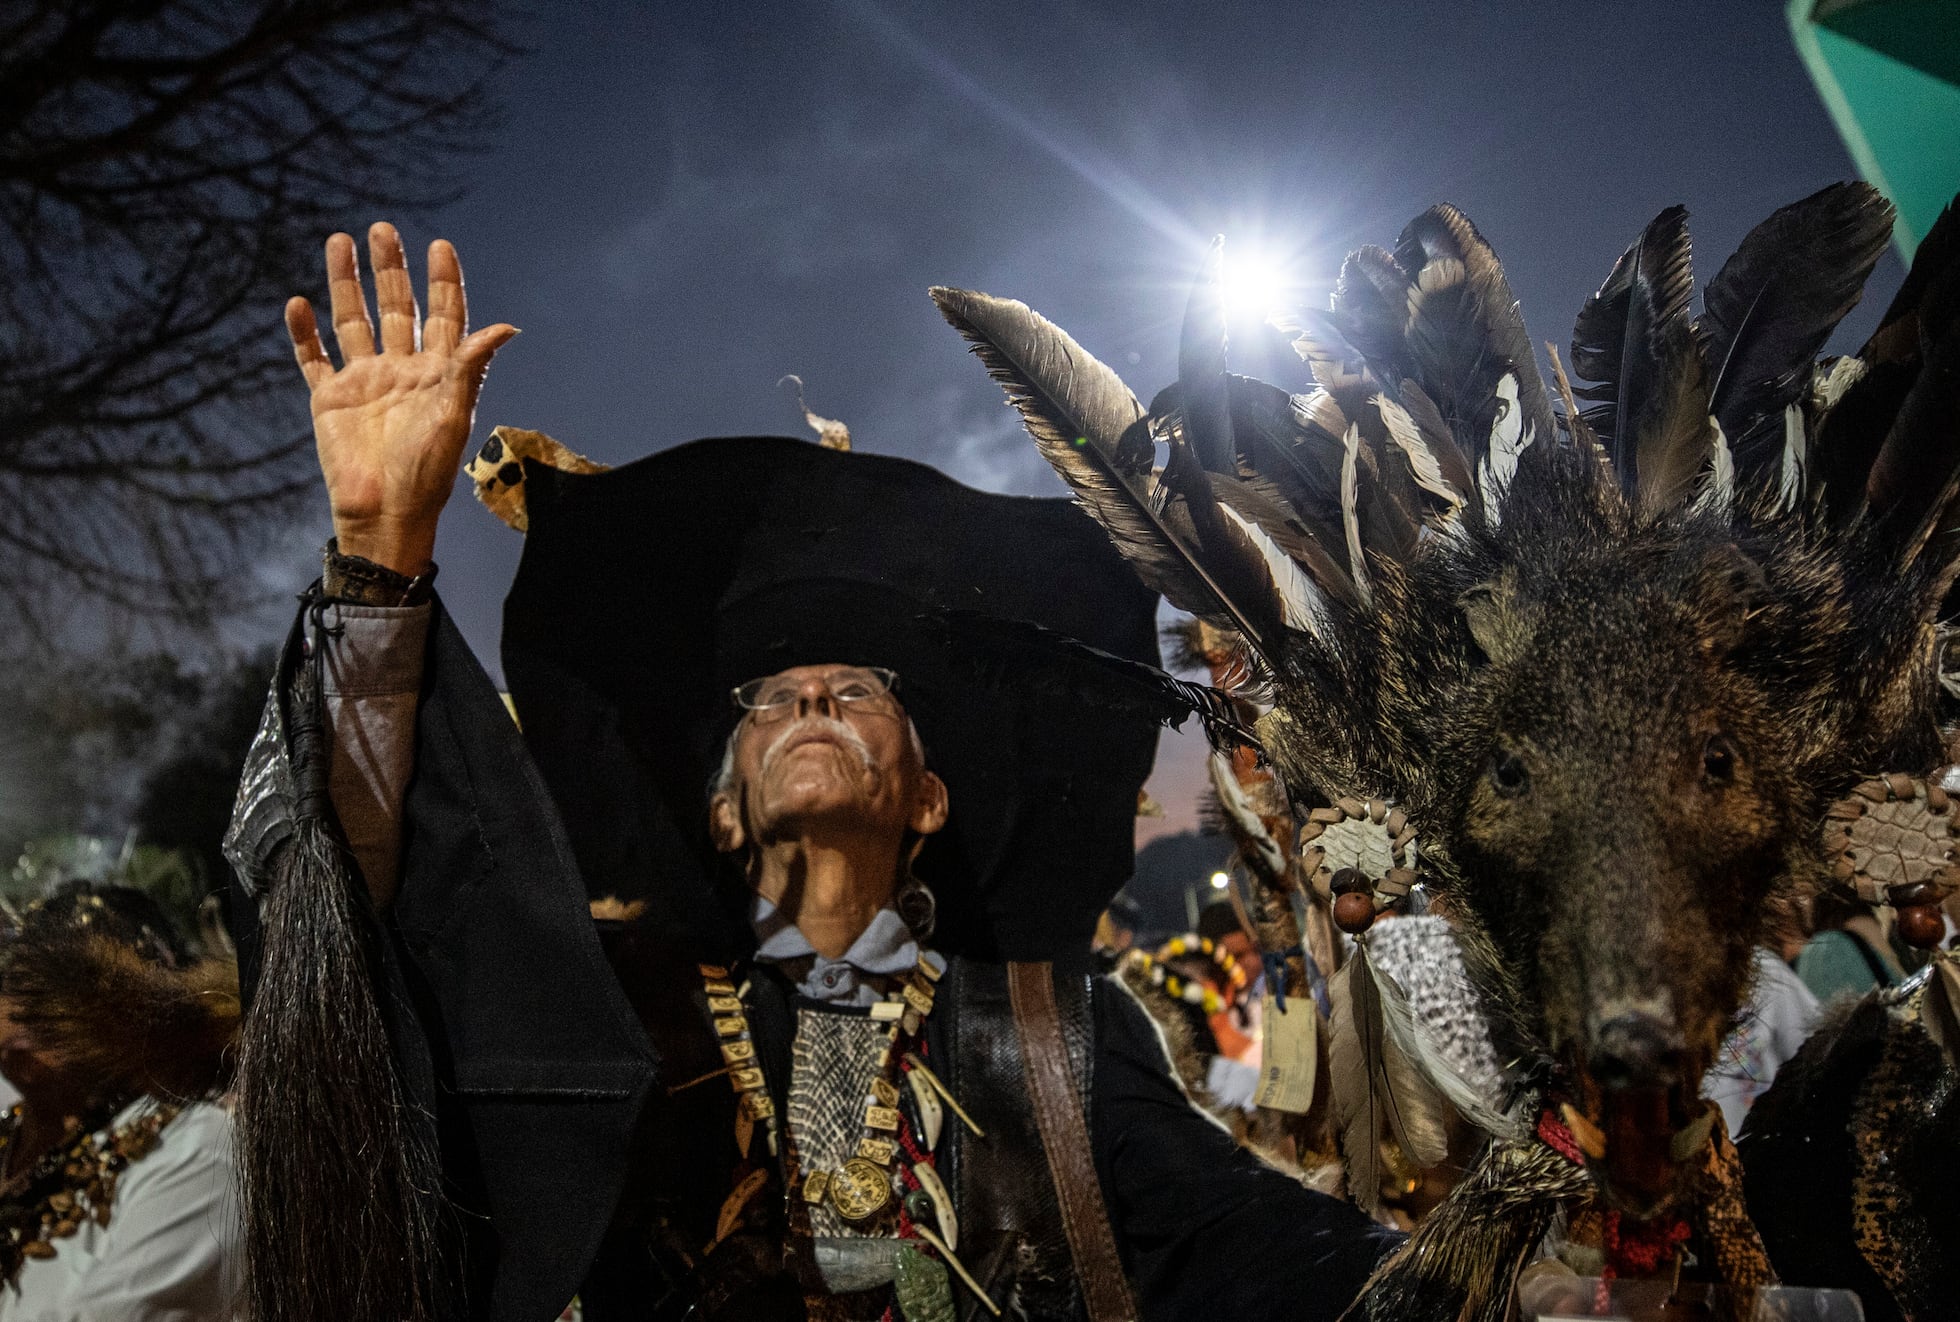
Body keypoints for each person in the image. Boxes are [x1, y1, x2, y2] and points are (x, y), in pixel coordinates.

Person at [223, 223, 1401, 1322]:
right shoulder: (614, 1024)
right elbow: (352, 953)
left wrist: (1489, 1277)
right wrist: (380, 563)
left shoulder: (1046, 1031)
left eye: (860, 689)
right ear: (724, 809)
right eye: (771, 698)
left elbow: (1253, 1244)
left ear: (927, 795)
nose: (813, 696)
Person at [0, 886, 239, 1318]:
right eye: (14, 979)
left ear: (135, 1006)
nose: (24, 1006)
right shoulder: (10, 1138)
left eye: (69, 984)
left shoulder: (201, 1150)